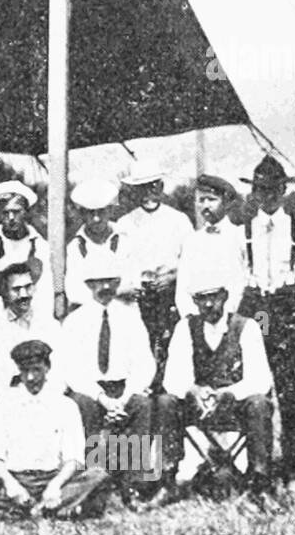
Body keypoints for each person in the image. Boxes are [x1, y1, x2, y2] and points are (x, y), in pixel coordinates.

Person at [155, 272, 277, 512]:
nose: (209, 304)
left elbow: (261, 380)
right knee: (166, 401)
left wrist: (229, 393)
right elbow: (173, 378)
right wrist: (192, 390)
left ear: (225, 296)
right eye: (202, 299)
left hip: (234, 406)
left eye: (214, 297)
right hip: (198, 406)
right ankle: (167, 481)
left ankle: (259, 486)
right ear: (194, 301)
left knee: (260, 403)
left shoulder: (248, 326)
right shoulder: (185, 327)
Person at [239, 155, 295, 497]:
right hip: (258, 312)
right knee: (256, 388)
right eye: (261, 190)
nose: (267, 196)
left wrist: (294, 317)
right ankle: (257, 467)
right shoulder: (243, 231)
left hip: (289, 314)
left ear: (284, 190)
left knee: (291, 393)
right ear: (253, 192)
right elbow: (239, 274)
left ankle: (293, 469)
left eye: (273, 190)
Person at [60, 250, 168, 498]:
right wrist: (102, 398)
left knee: (142, 405)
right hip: (91, 390)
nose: (106, 286)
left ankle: (134, 483)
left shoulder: (130, 317)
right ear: (89, 284)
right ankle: (96, 481)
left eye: (111, 281)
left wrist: (127, 395)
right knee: (81, 405)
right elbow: (71, 369)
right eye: (99, 281)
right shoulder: (75, 321)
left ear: (119, 283)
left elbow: (144, 363)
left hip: (124, 389)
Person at [0, 340, 111, 518]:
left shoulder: (65, 405)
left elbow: (74, 458)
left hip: (53, 477)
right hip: (17, 479)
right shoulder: (2, 404)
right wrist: (11, 484)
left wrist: (55, 485)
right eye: (24, 371)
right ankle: (52, 509)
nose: (30, 378)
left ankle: (22, 510)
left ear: (47, 368)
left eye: (36, 370)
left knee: (98, 476)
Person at [116, 162, 193, 382]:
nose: (148, 192)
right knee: (140, 351)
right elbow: (120, 265)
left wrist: (172, 278)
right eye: (143, 187)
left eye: (153, 186)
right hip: (138, 299)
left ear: (161, 187)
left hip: (170, 298)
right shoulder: (125, 224)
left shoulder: (179, 221)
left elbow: (190, 261)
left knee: (172, 353)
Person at [0, 258, 61, 416]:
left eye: (28, 287)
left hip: (45, 400)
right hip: (5, 403)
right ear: (4, 293)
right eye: (16, 289)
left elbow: (60, 368)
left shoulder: (49, 325)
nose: (24, 295)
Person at [174, 174, 245, 319]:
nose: (206, 205)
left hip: (232, 317)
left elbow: (240, 282)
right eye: (201, 200)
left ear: (226, 203)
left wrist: (229, 316)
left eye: (212, 200)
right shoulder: (191, 241)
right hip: (198, 319)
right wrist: (190, 317)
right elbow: (183, 286)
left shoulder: (239, 236)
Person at [0, 180, 46, 315]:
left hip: (31, 323)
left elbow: (45, 291)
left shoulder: (41, 246)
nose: (11, 218)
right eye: (6, 213)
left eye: (16, 212)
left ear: (26, 212)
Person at [64, 178, 135, 311]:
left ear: (110, 210)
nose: (96, 219)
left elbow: (132, 282)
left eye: (101, 212)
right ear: (82, 214)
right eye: (91, 213)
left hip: (124, 313)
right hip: (89, 316)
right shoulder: (76, 247)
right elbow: (74, 291)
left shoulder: (125, 241)